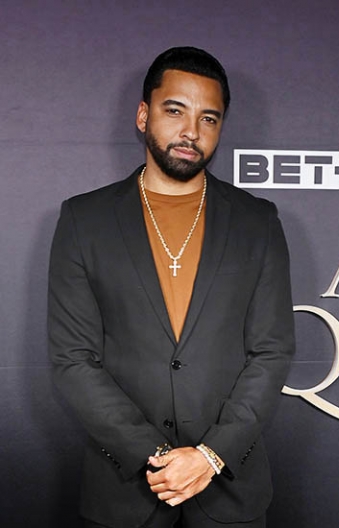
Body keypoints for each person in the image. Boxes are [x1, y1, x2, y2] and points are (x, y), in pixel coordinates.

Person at [48, 46, 295, 528]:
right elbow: (72, 359)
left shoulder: (257, 221)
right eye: (174, 110)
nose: (191, 132)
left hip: (230, 490)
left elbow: (272, 351)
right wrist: (157, 457)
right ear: (144, 115)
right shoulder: (84, 219)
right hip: (123, 491)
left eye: (209, 118)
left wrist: (210, 456)